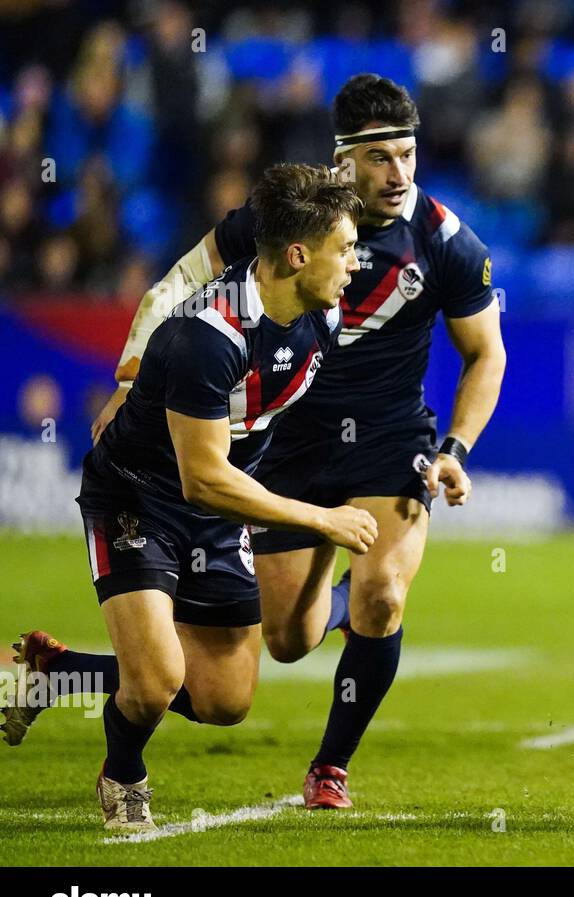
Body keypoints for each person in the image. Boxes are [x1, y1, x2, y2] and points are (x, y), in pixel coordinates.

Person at [76, 74, 505, 810]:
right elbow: (176, 285)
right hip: (284, 450)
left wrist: (454, 450)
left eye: (407, 153)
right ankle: (89, 671)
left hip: (389, 440)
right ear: (343, 160)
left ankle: (329, 769)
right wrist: (131, 372)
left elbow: (486, 355)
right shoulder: (279, 224)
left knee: (382, 594)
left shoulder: (445, 242)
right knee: (286, 641)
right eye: (379, 158)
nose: (399, 172)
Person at [5, 164, 374, 830]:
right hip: (138, 498)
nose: (355, 262)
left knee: (223, 699)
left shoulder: (322, 314)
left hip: (216, 513)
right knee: (152, 685)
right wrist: (318, 517)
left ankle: (56, 674)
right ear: (297, 255)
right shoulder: (210, 336)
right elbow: (203, 476)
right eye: (345, 248)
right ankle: (124, 777)